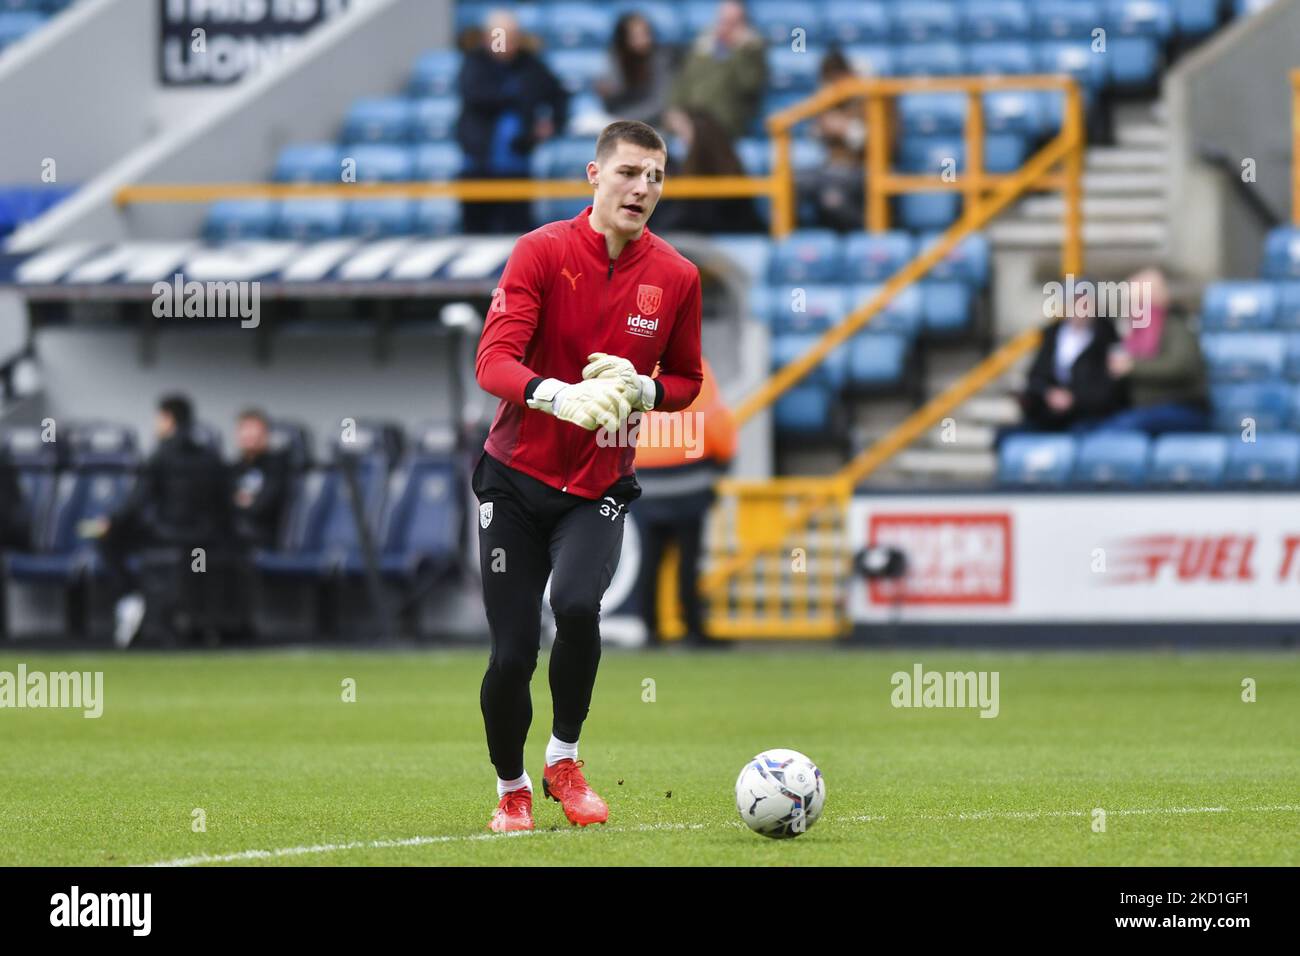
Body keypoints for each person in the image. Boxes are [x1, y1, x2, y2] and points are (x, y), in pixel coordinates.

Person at [473, 119, 703, 832]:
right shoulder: (539, 252)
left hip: (599, 488)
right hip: (513, 481)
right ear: (593, 176)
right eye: (630, 172)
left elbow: (689, 379)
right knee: (512, 656)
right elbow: (492, 362)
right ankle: (512, 787)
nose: (642, 188)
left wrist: (646, 391)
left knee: (576, 606)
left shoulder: (676, 276)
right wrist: (555, 393)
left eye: (656, 178)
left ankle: (564, 760)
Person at [90, 395, 233, 648]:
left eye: (159, 419)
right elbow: (227, 505)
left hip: (169, 535)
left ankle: (131, 596)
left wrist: (111, 523)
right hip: (206, 540)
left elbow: (137, 502)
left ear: (168, 419)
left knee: (108, 540)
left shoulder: (161, 455)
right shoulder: (212, 456)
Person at [633, 357, 736, 648]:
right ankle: (692, 628)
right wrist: (724, 460)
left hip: (644, 481)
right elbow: (715, 420)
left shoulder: (634, 360)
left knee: (650, 558)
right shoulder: (695, 365)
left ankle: (650, 629)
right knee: (688, 560)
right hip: (689, 479)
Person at [456, 9, 569, 235]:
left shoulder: (531, 65)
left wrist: (553, 124)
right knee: (476, 232)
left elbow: (559, 94)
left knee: (517, 232)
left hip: (517, 164)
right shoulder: (475, 63)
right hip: (479, 165)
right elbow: (477, 96)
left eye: (511, 35)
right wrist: (515, 95)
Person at [1000, 285, 1125, 443]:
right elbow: (1035, 377)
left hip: (1087, 418)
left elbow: (1109, 388)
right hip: (1048, 415)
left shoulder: (1107, 338)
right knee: (1006, 436)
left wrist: (1075, 399)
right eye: (1075, 302)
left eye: (1085, 303)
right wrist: (1048, 393)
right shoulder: (1052, 334)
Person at [1097, 268, 1210, 435]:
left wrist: (1132, 367)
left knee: (1113, 433)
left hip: (1181, 407)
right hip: (1144, 410)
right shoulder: (1132, 332)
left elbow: (1180, 366)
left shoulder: (1176, 326)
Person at [652, 106, 766, 233]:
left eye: (682, 134)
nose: (678, 141)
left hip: (726, 237)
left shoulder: (720, 172)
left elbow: (696, 217)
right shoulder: (675, 166)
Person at [667, 0, 767, 140]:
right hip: (691, 118)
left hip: (724, 122)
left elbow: (750, 84)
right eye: (724, 20)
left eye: (734, 22)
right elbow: (684, 83)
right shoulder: (703, 47)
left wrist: (741, 50)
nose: (727, 27)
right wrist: (675, 112)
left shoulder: (751, 49)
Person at [806, 48, 866, 232]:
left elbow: (887, 144)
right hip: (833, 168)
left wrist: (847, 130)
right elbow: (814, 135)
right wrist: (822, 129)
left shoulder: (876, 97)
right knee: (793, 182)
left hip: (864, 168)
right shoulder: (829, 100)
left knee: (832, 196)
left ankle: (862, 237)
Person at [595, 12, 676, 126]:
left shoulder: (662, 58)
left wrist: (624, 118)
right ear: (624, 38)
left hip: (652, 123)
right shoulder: (616, 56)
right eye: (636, 35)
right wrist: (607, 93)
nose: (645, 39)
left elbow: (659, 103)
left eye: (647, 33)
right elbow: (613, 94)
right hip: (619, 119)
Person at [231, 409, 290, 549]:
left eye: (254, 429)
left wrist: (241, 502)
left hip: (264, 540)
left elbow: (262, 506)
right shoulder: (233, 469)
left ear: (266, 434)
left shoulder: (277, 468)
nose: (248, 434)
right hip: (232, 538)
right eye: (244, 428)